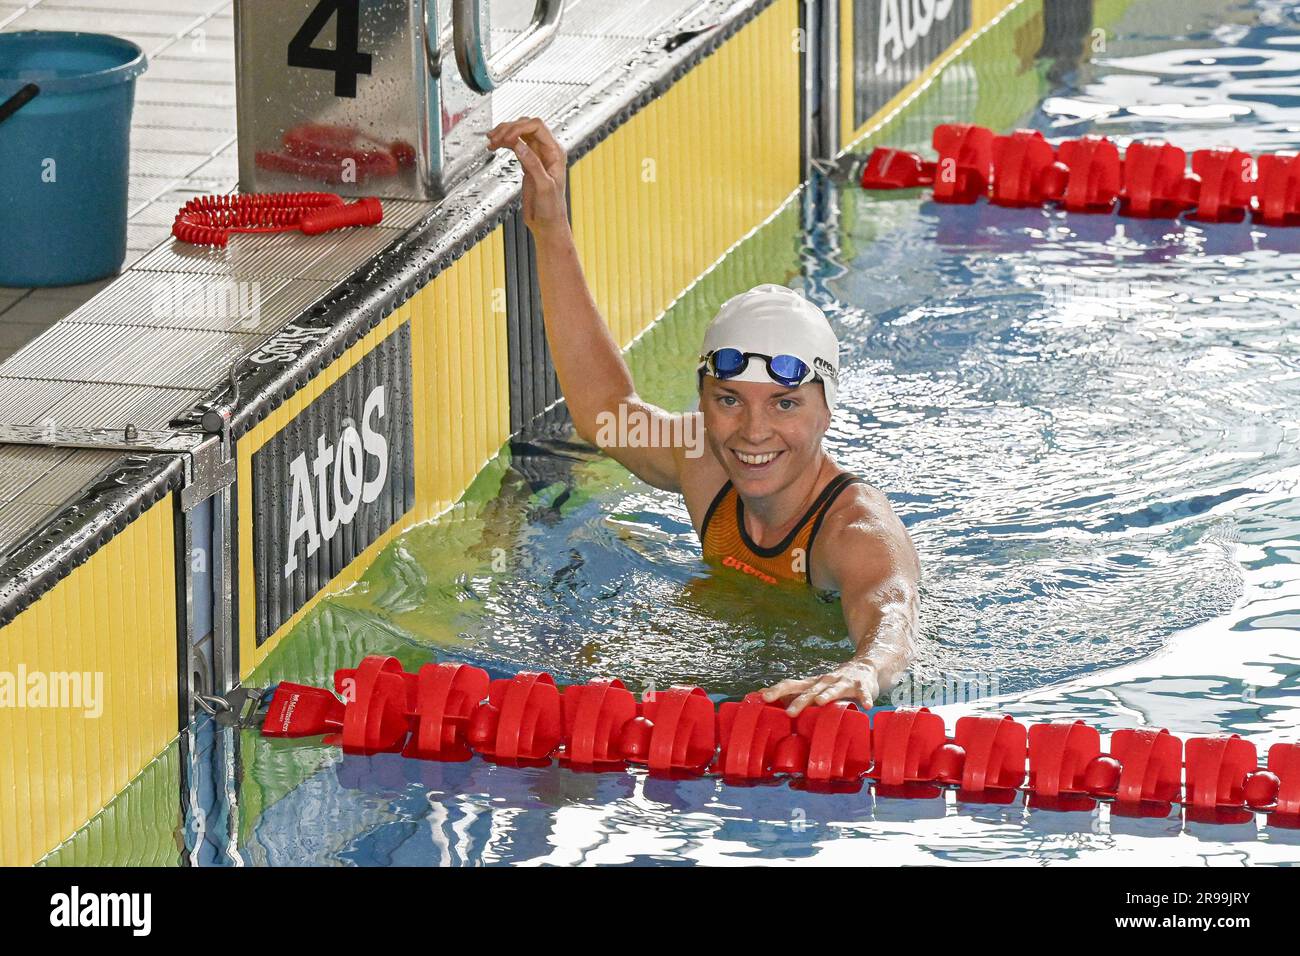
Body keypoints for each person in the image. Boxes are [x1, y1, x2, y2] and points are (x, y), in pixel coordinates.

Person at [485, 117, 921, 715]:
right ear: (701, 399)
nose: (753, 431)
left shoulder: (854, 531)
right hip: (724, 633)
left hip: (809, 669)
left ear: (828, 410)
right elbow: (605, 413)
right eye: (728, 399)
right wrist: (550, 225)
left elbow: (892, 609)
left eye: (785, 403)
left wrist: (865, 670)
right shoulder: (701, 458)